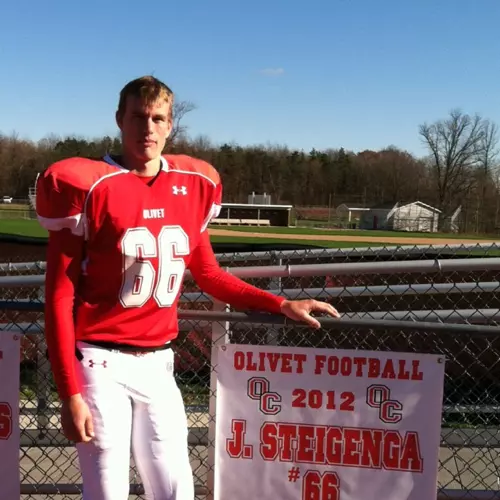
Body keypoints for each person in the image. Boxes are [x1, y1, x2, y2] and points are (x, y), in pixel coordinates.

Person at [35, 75, 340, 500]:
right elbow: (59, 296)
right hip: (99, 362)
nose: (148, 128)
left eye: (158, 118)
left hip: (159, 363)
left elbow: (210, 274)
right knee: (107, 492)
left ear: (170, 124)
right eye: (139, 116)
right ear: (119, 119)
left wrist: (280, 302)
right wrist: (69, 392)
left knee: (177, 490)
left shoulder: (192, 185)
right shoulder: (89, 185)